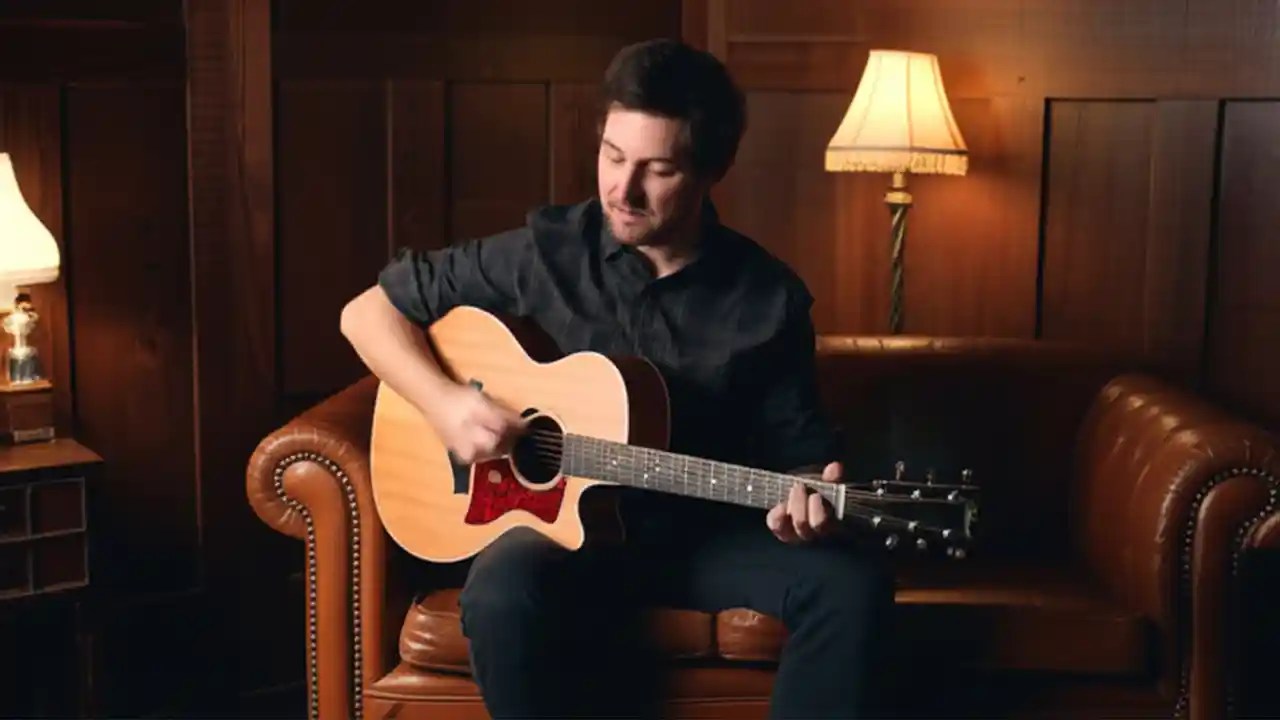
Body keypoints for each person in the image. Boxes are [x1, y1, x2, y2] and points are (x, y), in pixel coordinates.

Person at [340, 38, 893, 719]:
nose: (622, 191)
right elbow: (367, 312)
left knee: (850, 584)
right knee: (498, 592)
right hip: (556, 533)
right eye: (612, 155)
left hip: (698, 538)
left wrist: (807, 505)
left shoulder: (768, 299)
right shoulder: (547, 252)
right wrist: (448, 404)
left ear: (712, 168)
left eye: (656, 170)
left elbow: (799, 456)